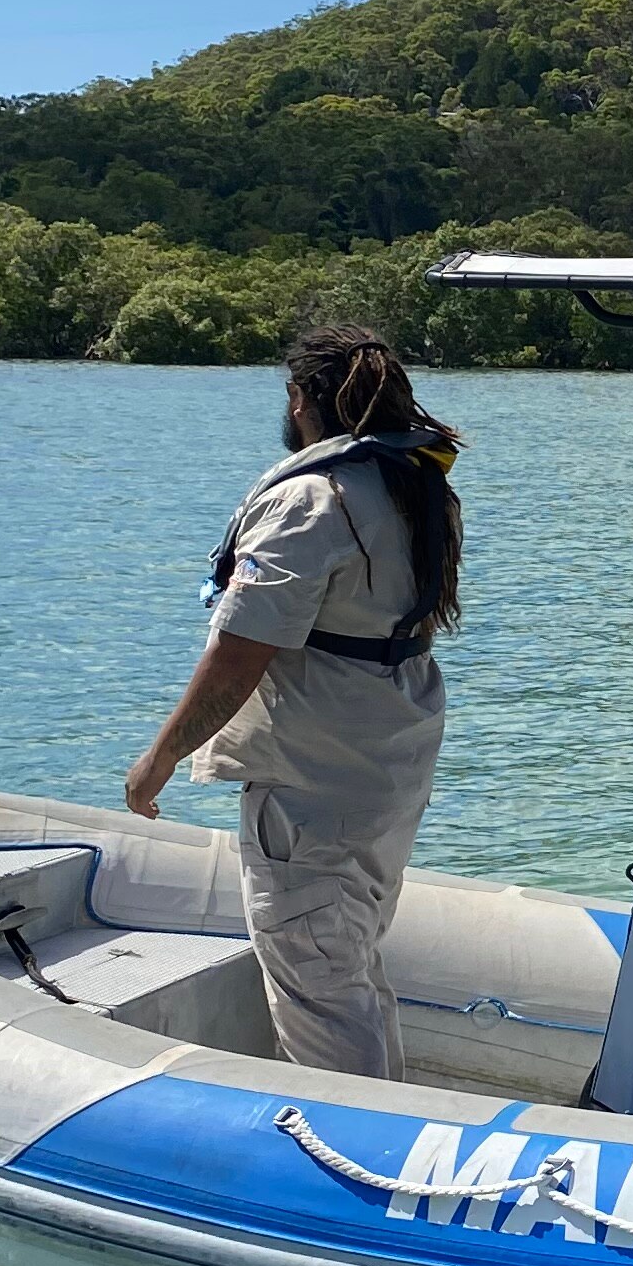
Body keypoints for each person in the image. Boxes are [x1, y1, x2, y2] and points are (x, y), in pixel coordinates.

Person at [124, 326, 463, 1079]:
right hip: (388, 764)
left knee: (318, 981)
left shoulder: (315, 500)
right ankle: (391, 1114)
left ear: (300, 399)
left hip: (317, 783)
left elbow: (240, 653)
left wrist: (160, 758)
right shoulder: (413, 484)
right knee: (352, 961)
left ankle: (352, 1154)